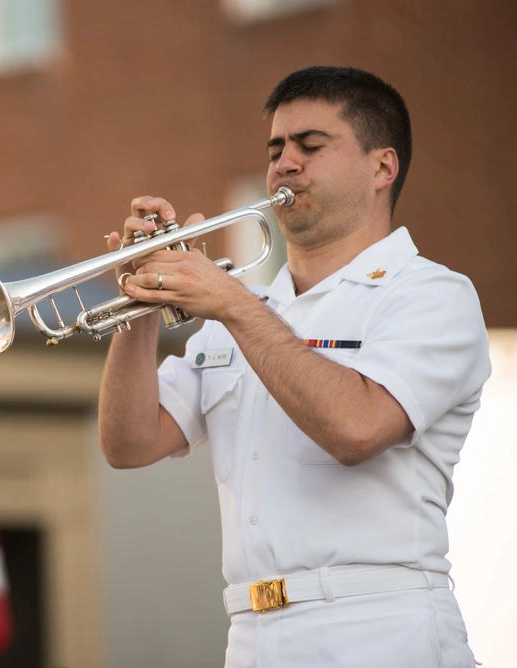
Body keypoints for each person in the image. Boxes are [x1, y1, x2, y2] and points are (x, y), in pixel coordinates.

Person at [98, 65, 490, 667]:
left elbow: (357, 429)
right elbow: (128, 442)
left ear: (382, 168)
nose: (285, 164)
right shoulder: (249, 310)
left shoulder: (431, 294)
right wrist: (140, 301)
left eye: (311, 146)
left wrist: (231, 302)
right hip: (252, 635)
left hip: (381, 627)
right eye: (276, 149)